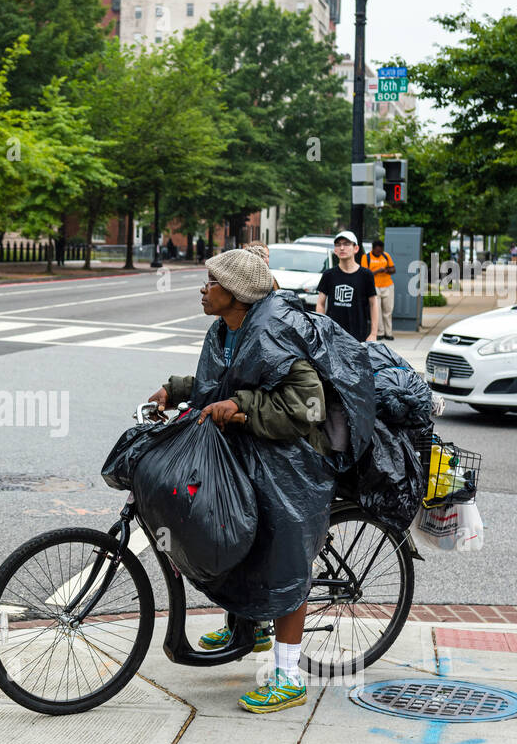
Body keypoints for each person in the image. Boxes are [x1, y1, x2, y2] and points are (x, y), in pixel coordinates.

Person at [143, 249, 373, 713]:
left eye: (211, 282)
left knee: (283, 559)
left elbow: (307, 405)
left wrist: (243, 408)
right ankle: (248, 626)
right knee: (226, 530)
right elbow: (222, 381)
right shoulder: (226, 329)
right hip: (252, 449)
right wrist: (177, 389)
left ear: (236, 294)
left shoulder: (272, 331)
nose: (203, 289)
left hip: (294, 461)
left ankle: (289, 677)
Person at [317, 231, 378, 343]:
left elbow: (374, 304)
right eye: (338, 244)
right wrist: (322, 328)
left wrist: (373, 334)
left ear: (356, 248)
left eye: (346, 244)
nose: (342, 248)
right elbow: (320, 303)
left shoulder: (366, 275)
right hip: (333, 336)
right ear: (335, 250)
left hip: (359, 336)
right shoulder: (329, 275)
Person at [361, 237, 397, 340]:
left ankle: (388, 332)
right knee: (378, 310)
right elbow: (365, 274)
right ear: (373, 249)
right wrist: (377, 271)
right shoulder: (366, 257)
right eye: (377, 251)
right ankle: (380, 332)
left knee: (388, 310)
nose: (379, 253)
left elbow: (393, 269)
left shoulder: (386, 256)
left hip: (388, 285)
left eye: (381, 251)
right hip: (374, 286)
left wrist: (386, 270)